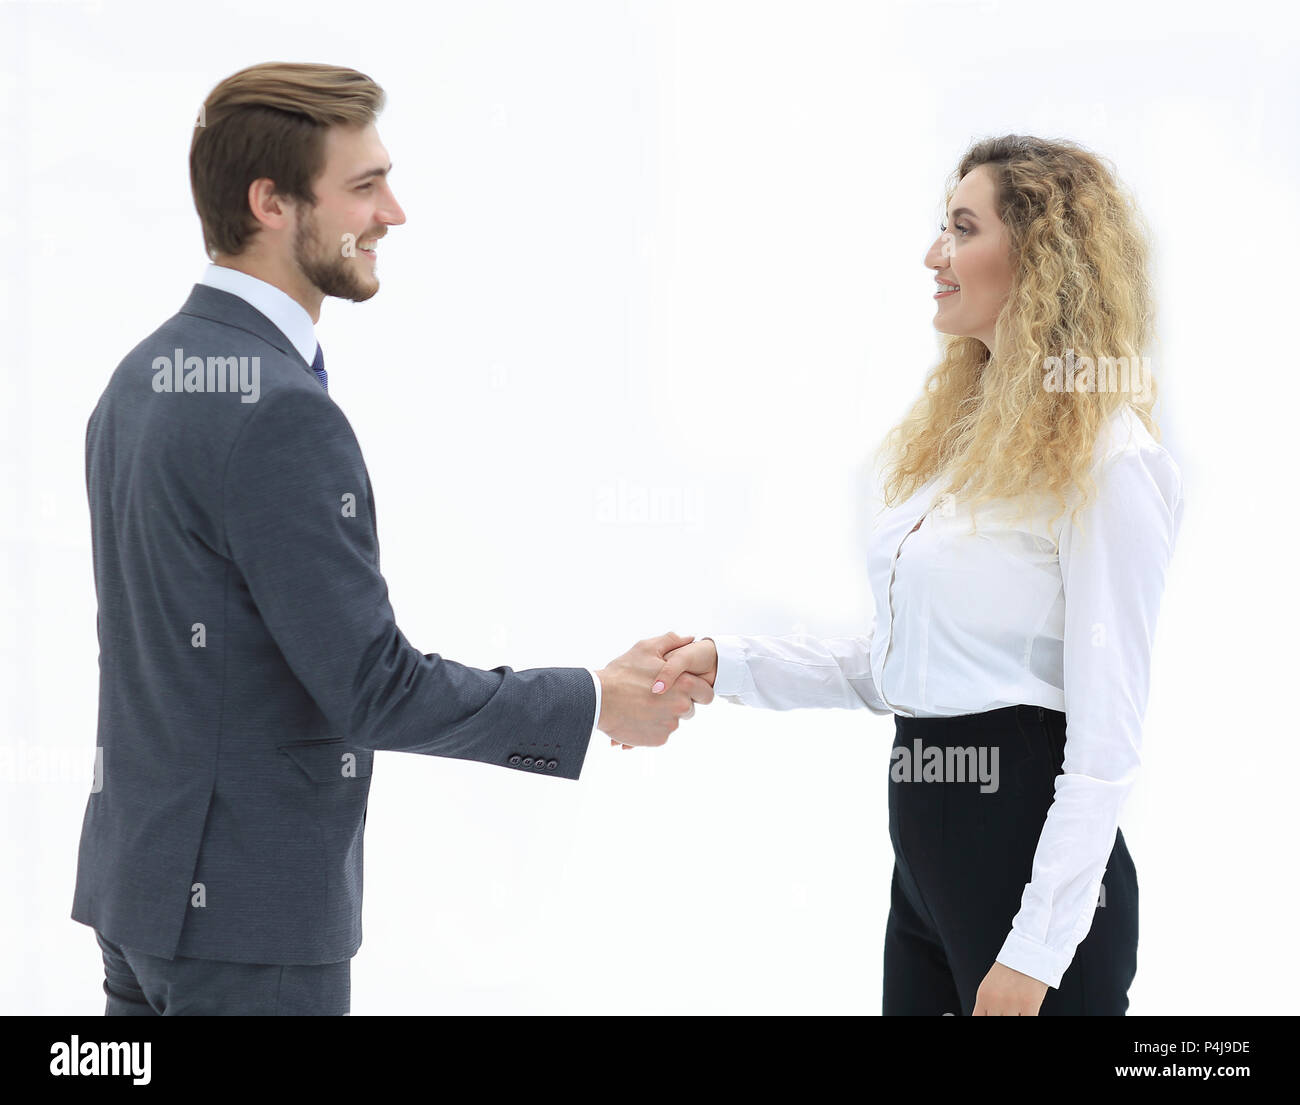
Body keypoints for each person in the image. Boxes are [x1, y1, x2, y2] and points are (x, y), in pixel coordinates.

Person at [75, 61, 713, 1016]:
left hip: (141, 897)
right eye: (364, 186)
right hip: (250, 934)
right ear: (272, 204)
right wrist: (591, 702)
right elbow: (370, 686)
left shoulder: (141, 375)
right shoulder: (280, 410)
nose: (394, 213)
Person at [647, 135, 1185, 1016]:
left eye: (961, 228)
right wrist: (725, 661)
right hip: (927, 874)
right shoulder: (964, 447)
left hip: (1031, 891)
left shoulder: (1109, 459)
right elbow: (902, 670)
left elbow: (1105, 746)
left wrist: (1039, 951)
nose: (933, 254)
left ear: (1039, 257)